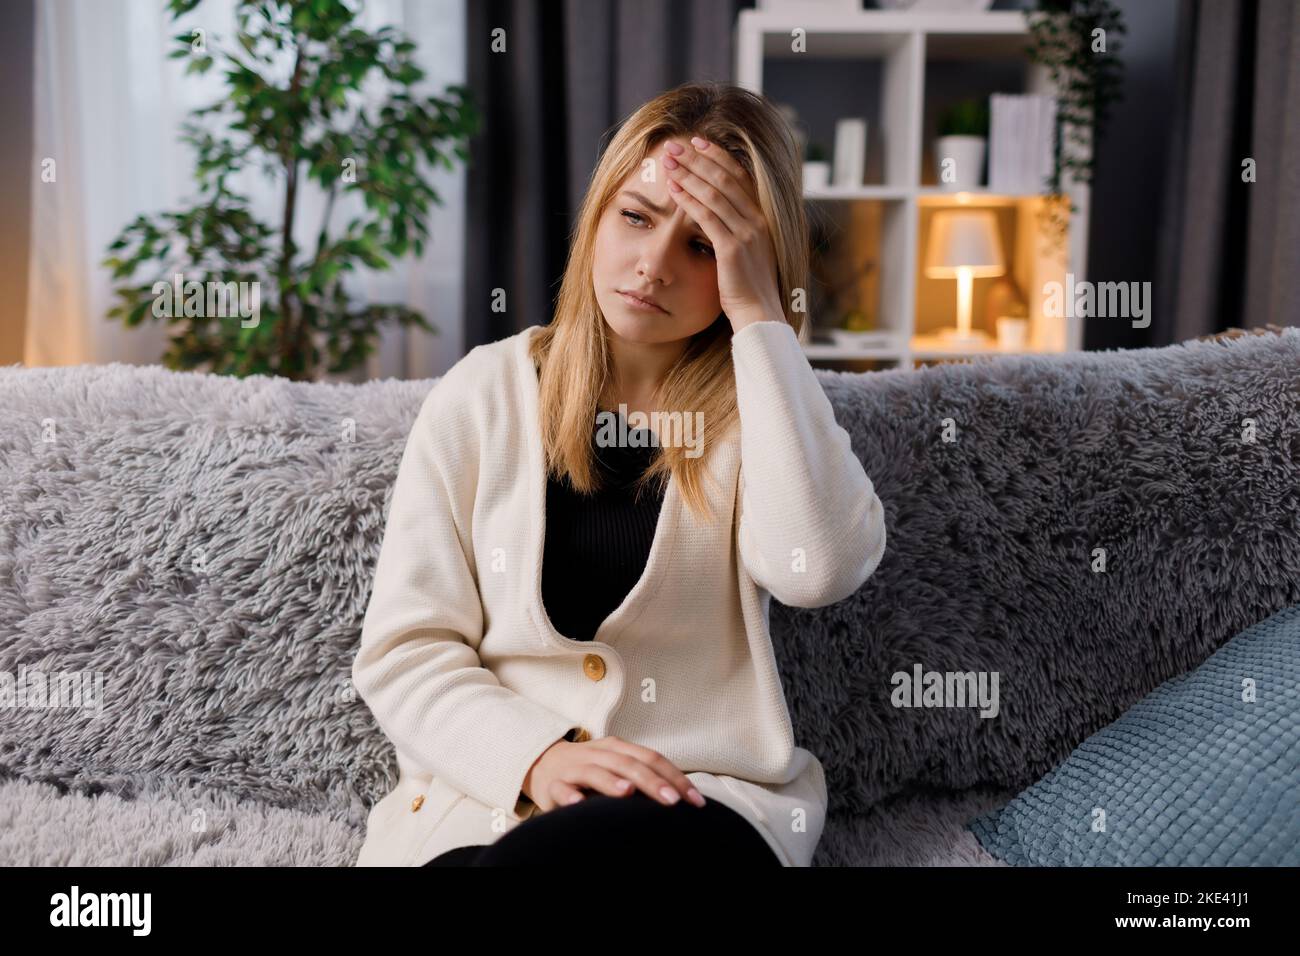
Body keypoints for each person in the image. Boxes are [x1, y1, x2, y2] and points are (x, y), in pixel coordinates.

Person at [351, 80, 887, 868]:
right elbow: (405, 649)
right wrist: (538, 755)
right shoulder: (482, 393)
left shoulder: (762, 410)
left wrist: (762, 319)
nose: (653, 266)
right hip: (493, 805)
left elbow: (821, 568)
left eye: (703, 245)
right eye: (635, 217)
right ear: (597, 215)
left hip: (695, 803)